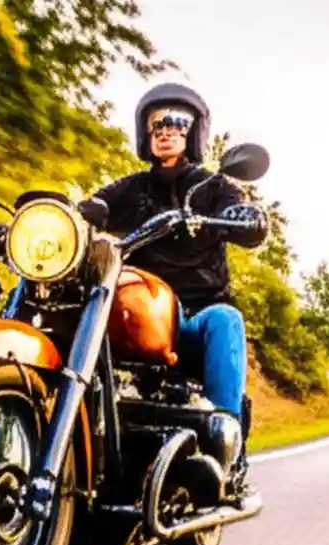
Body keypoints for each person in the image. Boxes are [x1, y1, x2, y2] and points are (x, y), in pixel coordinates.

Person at [79, 82, 267, 490]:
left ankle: (224, 446)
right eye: (155, 124)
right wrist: (69, 210)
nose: (164, 130)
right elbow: (93, 206)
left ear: (193, 132)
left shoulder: (214, 186)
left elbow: (250, 220)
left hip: (193, 318)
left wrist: (244, 218)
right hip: (141, 307)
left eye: (175, 122)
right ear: (146, 134)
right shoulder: (131, 188)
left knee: (226, 319)